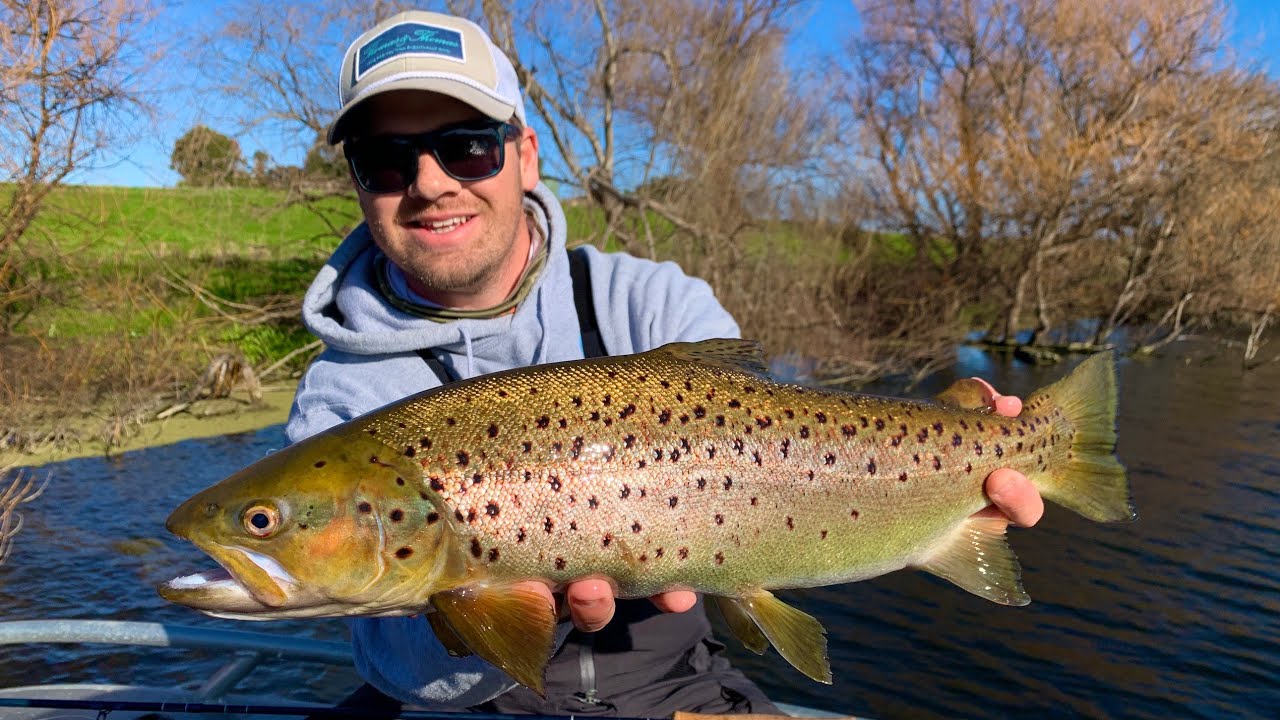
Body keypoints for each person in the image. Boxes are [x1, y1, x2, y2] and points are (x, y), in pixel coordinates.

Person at [287, 9, 1045, 716]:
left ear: (524, 154)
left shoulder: (647, 300)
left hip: (673, 686)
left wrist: (925, 496)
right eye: (383, 161)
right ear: (357, 184)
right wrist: (505, 609)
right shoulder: (341, 396)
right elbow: (398, 666)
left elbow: (779, 443)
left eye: (465, 146)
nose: (429, 181)